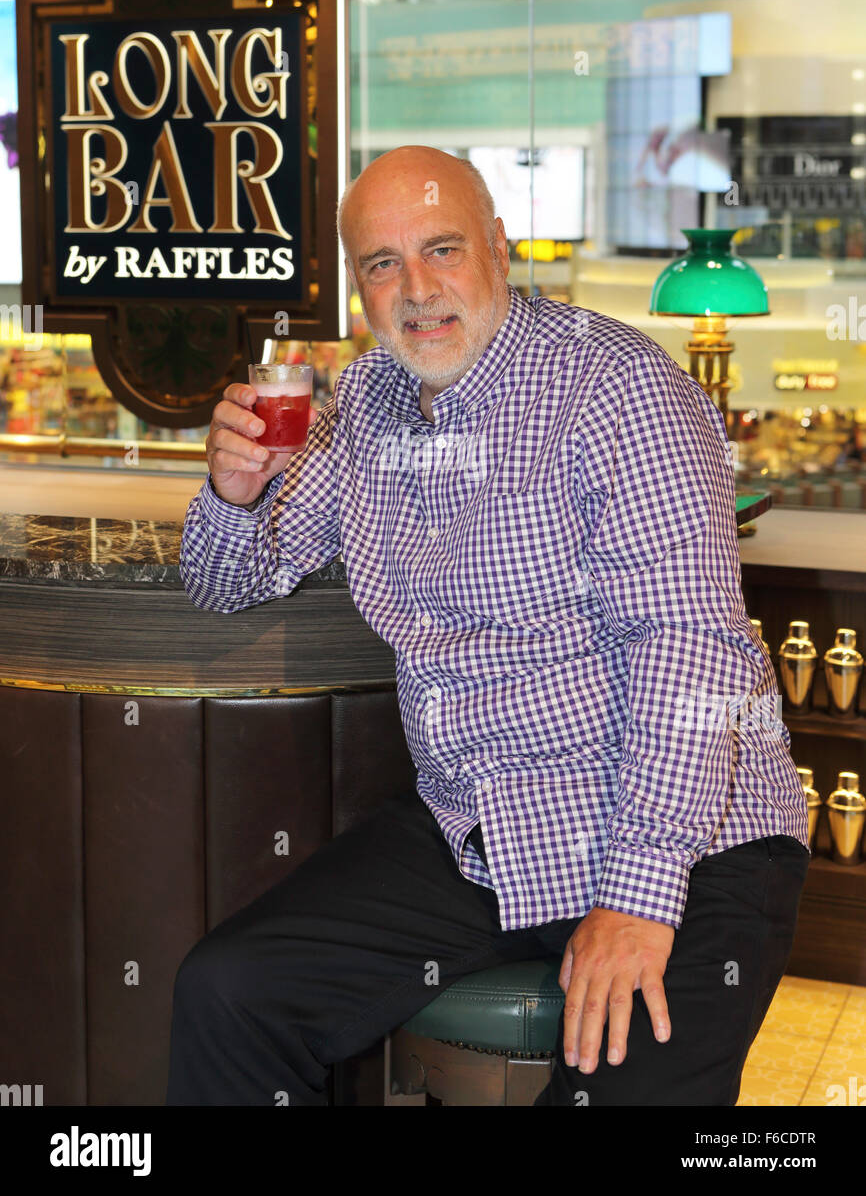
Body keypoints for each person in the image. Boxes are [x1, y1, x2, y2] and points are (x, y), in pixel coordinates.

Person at [166, 146, 810, 1107]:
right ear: (358, 288)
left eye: (441, 249)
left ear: (499, 248)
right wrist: (230, 493)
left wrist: (636, 897)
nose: (416, 289)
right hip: (480, 825)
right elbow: (227, 584)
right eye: (381, 264)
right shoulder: (365, 405)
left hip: (692, 833)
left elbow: (692, 652)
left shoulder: (619, 390)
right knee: (227, 992)